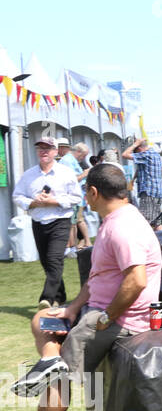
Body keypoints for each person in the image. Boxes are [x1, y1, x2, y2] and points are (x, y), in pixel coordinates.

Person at [2, 164, 162, 411]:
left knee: (58, 375)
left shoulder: (123, 227)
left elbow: (136, 281)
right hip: (93, 312)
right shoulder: (112, 220)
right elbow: (99, 275)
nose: (83, 200)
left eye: (85, 193)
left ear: (93, 192)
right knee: (43, 319)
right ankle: (49, 360)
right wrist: (73, 308)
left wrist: (105, 318)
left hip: (121, 321)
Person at [13, 129, 82, 309]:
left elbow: (76, 197)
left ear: (55, 151)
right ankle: (61, 296)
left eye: (48, 148)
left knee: (54, 259)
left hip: (60, 220)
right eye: (40, 148)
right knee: (46, 262)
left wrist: (54, 201)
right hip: (38, 221)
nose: (44, 151)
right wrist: (32, 203)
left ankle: (47, 299)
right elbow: (17, 196)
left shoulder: (66, 172)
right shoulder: (29, 174)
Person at [122, 137, 162, 229]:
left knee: (145, 222)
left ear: (139, 148)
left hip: (148, 192)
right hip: (157, 192)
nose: (134, 153)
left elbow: (124, 154)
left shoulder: (146, 154)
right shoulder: (155, 154)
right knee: (157, 222)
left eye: (135, 150)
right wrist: (133, 180)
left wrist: (135, 144)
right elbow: (143, 169)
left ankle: (146, 242)